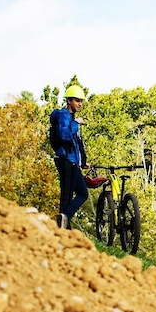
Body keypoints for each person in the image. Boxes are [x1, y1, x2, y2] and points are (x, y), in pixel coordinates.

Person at [50, 85, 89, 229]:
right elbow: (64, 135)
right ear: (69, 101)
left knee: (82, 193)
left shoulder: (70, 118)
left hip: (73, 161)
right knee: (66, 195)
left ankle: (64, 221)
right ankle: (63, 225)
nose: (80, 104)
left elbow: (76, 143)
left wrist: (83, 161)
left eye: (81, 101)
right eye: (77, 101)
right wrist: (76, 123)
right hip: (65, 160)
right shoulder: (64, 116)